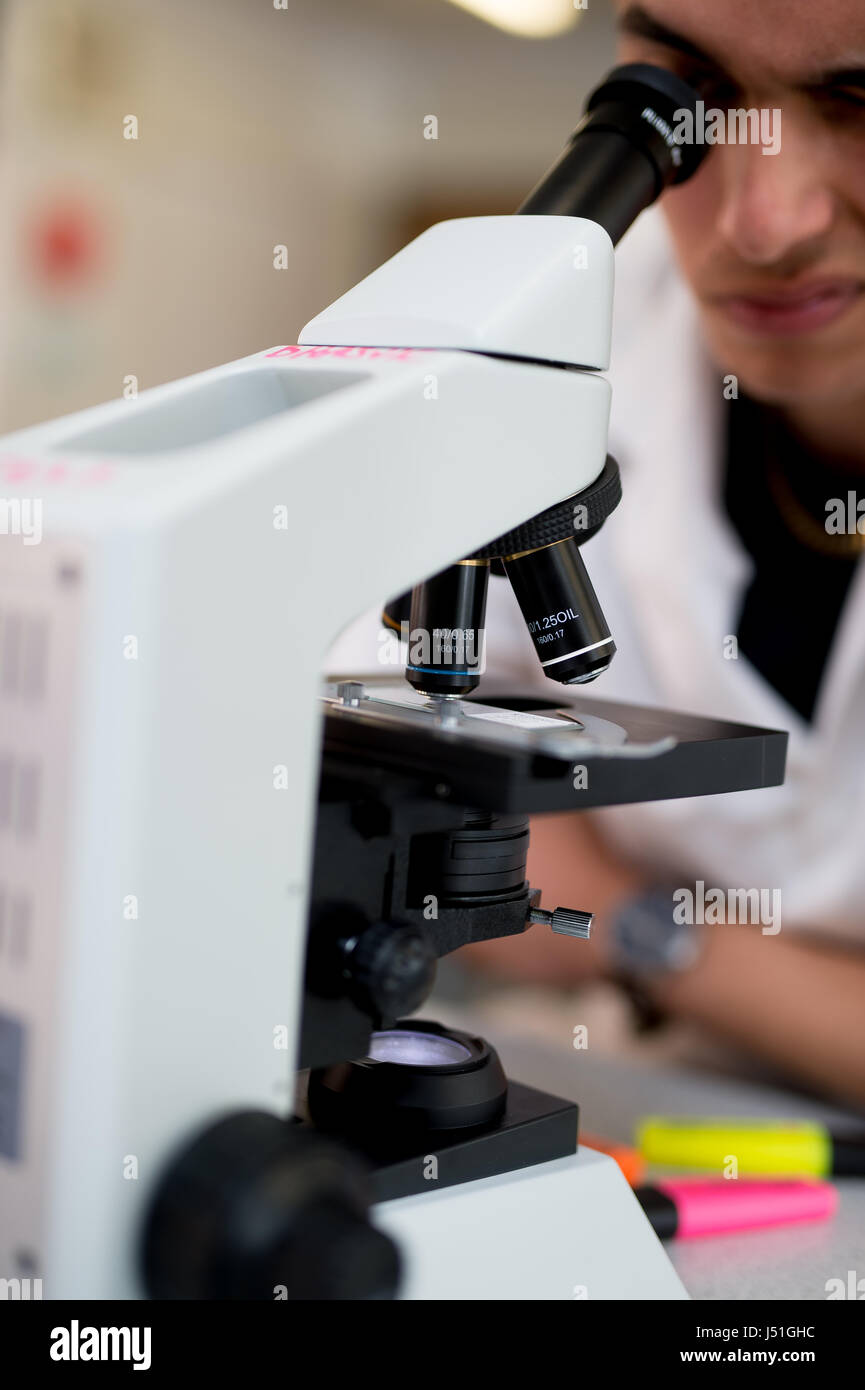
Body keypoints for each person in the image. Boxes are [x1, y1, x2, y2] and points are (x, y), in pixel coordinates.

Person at [330, 0, 865, 1108]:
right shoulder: (565, 366)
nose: (761, 223)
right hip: (626, 1099)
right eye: (691, 94)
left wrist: (637, 926)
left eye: (858, 104)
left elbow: (560, 903)